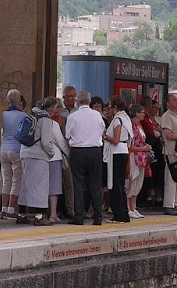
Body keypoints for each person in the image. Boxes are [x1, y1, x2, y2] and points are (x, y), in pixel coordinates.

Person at [18, 97, 64, 224]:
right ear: (51, 108)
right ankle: (40, 216)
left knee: (25, 185)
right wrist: (51, 153)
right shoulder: (46, 120)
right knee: (40, 186)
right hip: (38, 155)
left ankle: (21, 214)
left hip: (25, 153)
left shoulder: (31, 115)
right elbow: (46, 142)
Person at [65, 92, 106, 224]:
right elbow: (102, 130)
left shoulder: (73, 116)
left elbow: (67, 135)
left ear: (77, 101)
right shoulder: (97, 115)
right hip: (95, 151)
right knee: (95, 184)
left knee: (78, 184)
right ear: (89, 101)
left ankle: (79, 216)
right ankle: (98, 217)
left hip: (77, 151)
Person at [101, 95, 133, 222]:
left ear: (115, 107)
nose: (109, 108)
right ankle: (123, 214)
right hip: (123, 151)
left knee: (115, 185)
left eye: (110, 106)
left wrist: (104, 136)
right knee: (120, 184)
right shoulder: (126, 118)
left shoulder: (118, 120)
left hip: (116, 153)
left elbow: (115, 139)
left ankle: (118, 215)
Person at [0, 89, 28, 219]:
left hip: (4, 149)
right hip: (17, 149)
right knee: (16, 180)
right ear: (19, 101)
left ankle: (3, 209)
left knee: (6, 180)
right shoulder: (24, 116)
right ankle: (11, 209)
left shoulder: (4, 114)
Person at [126, 104, 152, 218]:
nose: (143, 114)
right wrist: (143, 148)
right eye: (142, 112)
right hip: (133, 157)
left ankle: (133, 207)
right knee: (132, 181)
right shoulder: (131, 126)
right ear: (136, 113)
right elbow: (129, 147)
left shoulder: (139, 126)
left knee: (138, 182)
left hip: (141, 158)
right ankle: (128, 208)